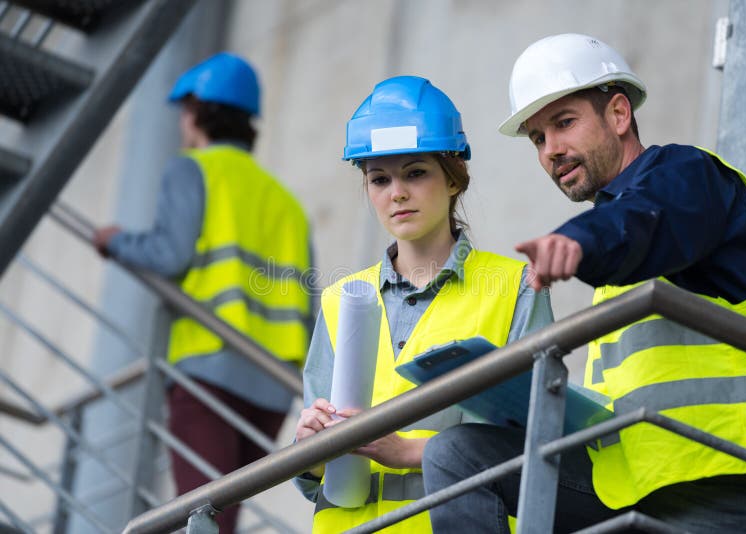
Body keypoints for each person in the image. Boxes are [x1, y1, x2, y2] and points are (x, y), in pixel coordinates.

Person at [422, 33, 746, 533]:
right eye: (538, 139)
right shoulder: (614, 258)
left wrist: (579, 244)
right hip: (629, 485)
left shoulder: (689, 178)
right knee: (455, 455)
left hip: (731, 477)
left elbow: (647, 220)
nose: (552, 150)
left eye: (564, 123)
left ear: (619, 115)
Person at [292, 75, 553, 533]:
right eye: (379, 179)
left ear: (454, 180)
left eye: (415, 172)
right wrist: (308, 450)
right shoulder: (340, 299)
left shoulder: (515, 285)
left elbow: (539, 439)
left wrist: (412, 452)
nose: (396, 193)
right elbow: (314, 481)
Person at [93, 52, 313, 533]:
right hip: (274, 383)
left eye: (184, 114)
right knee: (219, 517)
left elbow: (169, 254)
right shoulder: (287, 204)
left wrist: (115, 243)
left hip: (209, 365)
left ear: (196, 112)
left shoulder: (191, 170)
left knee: (201, 515)